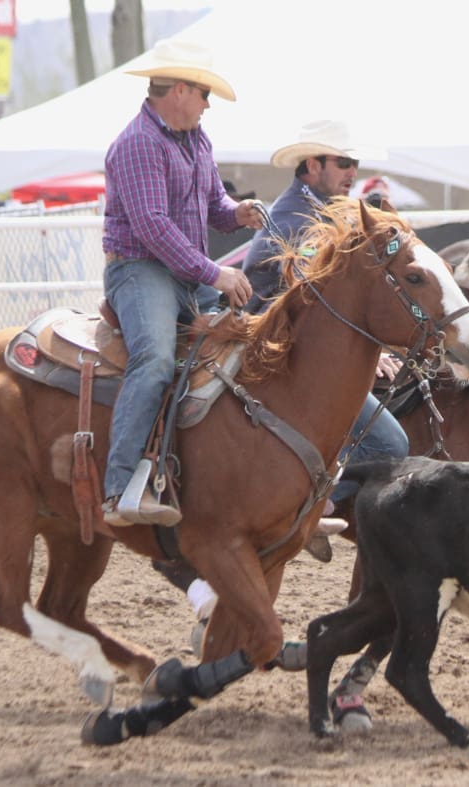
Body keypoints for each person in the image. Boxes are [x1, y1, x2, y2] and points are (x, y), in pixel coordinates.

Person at [100, 38, 263, 527]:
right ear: (180, 91)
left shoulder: (196, 139)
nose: (208, 104)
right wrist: (215, 273)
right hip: (139, 270)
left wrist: (238, 213)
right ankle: (118, 487)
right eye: (204, 93)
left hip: (182, 270)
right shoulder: (138, 144)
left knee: (253, 342)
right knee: (153, 360)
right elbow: (152, 227)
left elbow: (214, 205)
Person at [242, 119, 409, 514]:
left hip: (302, 351)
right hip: (285, 359)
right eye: (344, 162)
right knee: (388, 443)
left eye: (354, 164)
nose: (352, 172)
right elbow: (313, 301)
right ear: (313, 166)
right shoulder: (296, 220)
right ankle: (299, 510)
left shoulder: (318, 212)